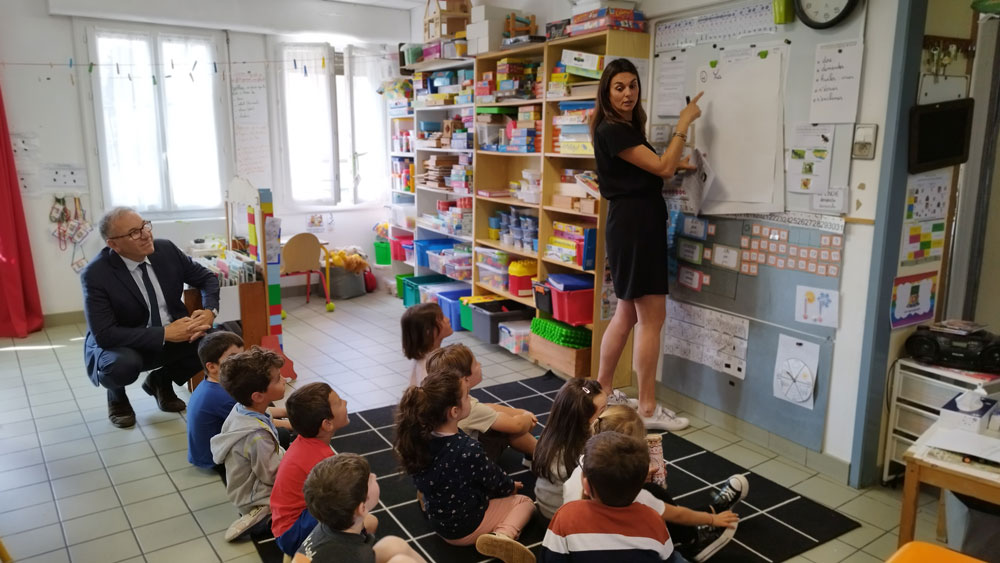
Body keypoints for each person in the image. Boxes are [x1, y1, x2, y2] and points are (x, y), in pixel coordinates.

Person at [590, 58, 705, 431]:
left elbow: (650, 167)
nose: (627, 93)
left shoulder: (621, 128)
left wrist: (674, 163)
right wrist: (683, 125)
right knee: (652, 318)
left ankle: (603, 391)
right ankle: (649, 408)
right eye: (619, 87)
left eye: (632, 86)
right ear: (607, 92)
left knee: (626, 313)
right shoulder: (613, 128)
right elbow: (661, 168)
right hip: (637, 227)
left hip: (631, 224)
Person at [81, 207, 220, 428]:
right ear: (113, 245)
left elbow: (207, 278)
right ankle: (117, 396)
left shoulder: (166, 250)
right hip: (123, 343)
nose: (146, 234)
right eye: (134, 232)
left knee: (217, 343)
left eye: (145, 225)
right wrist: (164, 333)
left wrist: (210, 311)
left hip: (172, 331)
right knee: (121, 366)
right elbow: (105, 335)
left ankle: (160, 381)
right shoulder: (96, 274)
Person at [562, 406, 747, 562]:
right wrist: (712, 520)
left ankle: (710, 511)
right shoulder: (643, 502)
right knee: (659, 504)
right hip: (632, 546)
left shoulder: (578, 474)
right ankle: (697, 538)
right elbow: (677, 517)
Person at [393, 368, 534, 563]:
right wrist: (510, 487)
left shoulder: (419, 439)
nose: (471, 399)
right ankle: (503, 537)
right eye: (467, 396)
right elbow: (493, 478)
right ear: (454, 412)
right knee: (524, 503)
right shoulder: (468, 448)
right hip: (466, 527)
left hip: (439, 521)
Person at [540, 432, 682, 562]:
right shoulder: (653, 519)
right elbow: (667, 559)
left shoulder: (566, 516)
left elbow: (549, 559)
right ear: (642, 485)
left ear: (586, 485)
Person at [210, 346, 288, 541]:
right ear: (258, 396)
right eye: (278, 378)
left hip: (246, 484)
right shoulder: (257, 437)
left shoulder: (242, 408)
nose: (285, 379)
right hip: (254, 495)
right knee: (307, 496)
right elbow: (271, 475)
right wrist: (296, 468)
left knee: (285, 441)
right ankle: (263, 516)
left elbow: (267, 416)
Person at [189, 331, 294, 473]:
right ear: (212, 367)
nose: (238, 362)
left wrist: (285, 412)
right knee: (282, 434)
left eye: (241, 355)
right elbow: (253, 419)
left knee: (265, 405)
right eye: (232, 358)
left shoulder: (213, 384)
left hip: (209, 450)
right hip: (212, 458)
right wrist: (294, 424)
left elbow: (250, 411)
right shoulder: (222, 396)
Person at [271, 382, 355, 556]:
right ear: (327, 424)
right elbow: (342, 500)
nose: (345, 402)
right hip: (293, 533)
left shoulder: (304, 443)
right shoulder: (324, 460)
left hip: (285, 524)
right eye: (339, 402)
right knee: (354, 517)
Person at [294, 454, 426, 563]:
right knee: (402, 561)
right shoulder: (356, 555)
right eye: (370, 480)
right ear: (361, 508)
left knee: (393, 545)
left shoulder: (329, 524)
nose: (374, 475)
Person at [424, 344, 538, 461]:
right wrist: (527, 418)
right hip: (467, 462)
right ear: (465, 378)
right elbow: (516, 426)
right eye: (476, 363)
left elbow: (487, 408)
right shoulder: (470, 408)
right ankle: (542, 455)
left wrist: (518, 411)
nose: (480, 365)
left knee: (494, 417)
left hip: (441, 455)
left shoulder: (440, 398)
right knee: (507, 431)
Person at [531, 379, 606, 518]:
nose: (609, 413)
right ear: (582, 421)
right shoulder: (581, 451)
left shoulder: (552, 436)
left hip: (544, 510)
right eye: (603, 411)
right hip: (563, 518)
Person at [401, 303, 452, 386]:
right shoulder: (428, 371)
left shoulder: (429, 358)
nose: (448, 319)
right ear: (428, 331)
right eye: (442, 318)